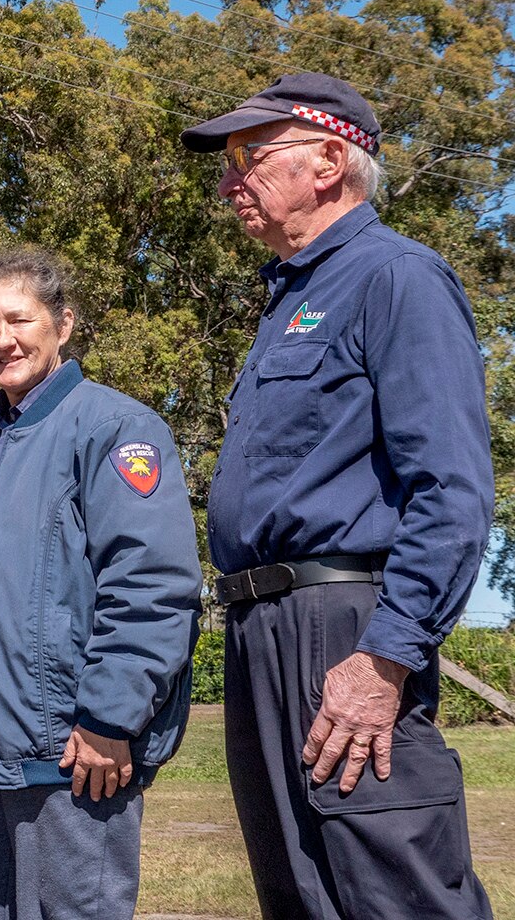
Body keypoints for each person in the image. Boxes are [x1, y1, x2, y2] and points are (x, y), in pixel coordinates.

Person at [181, 72, 493, 918]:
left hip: (345, 631)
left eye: (249, 158)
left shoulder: (397, 277)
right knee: (301, 894)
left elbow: (451, 488)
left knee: (391, 890)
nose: (229, 183)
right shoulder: (291, 298)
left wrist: (385, 656)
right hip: (260, 630)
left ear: (327, 162)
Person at [0, 247, 200, 920]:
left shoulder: (115, 429)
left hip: (71, 760)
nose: (1, 339)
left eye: (19, 319)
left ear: (63, 324)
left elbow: (152, 583)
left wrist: (109, 718)